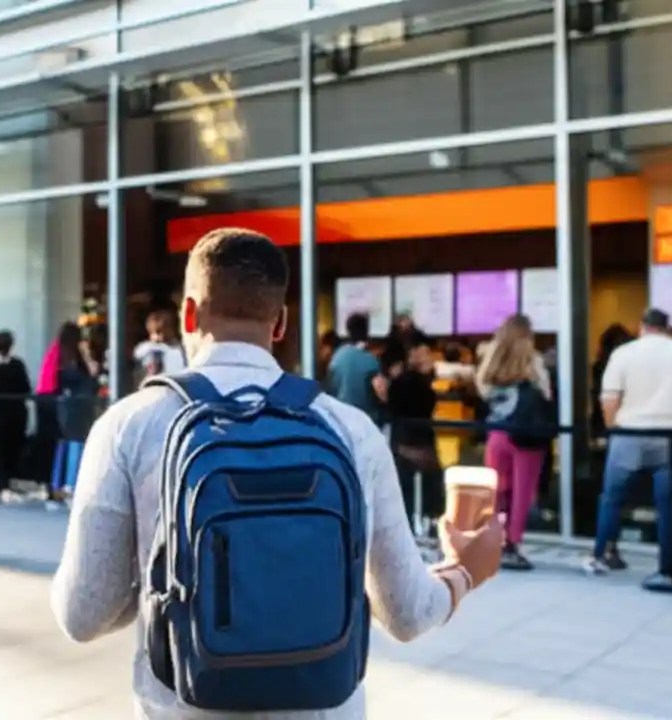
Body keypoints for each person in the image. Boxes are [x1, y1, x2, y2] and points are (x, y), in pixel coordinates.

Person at [51, 228, 503, 718]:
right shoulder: (351, 430)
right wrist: (464, 570)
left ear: (188, 312)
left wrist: (163, 577)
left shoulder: (127, 425)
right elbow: (409, 613)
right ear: (281, 322)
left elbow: (83, 614)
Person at [587, 308, 672, 592]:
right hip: (669, 435)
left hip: (628, 433)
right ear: (667, 328)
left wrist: (613, 428)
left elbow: (609, 399)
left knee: (612, 499)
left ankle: (600, 555)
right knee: (668, 504)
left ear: (642, 326)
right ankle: (668, 567)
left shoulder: (623, 354)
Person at [477, 315, 552, 571]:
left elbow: (483, 389)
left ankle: (493, 540)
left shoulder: (492, 358)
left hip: (498, 432)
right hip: (526, 435)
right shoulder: (533, 361)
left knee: (497, 490)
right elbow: (546, 394)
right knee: (522, 491)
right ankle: (512, 543)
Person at [386, 336, 443, 532]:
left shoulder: (397, 383)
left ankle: (406, 525)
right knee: (432, 484)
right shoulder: (424, 386)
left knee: (404, 489)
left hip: (402, 442)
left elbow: (391, 406)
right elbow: (430, 404)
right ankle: (433, 522)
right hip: (423, 442)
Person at [52, 322, 100, 500]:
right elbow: (92, 375)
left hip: (66, 405)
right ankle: (71, 483)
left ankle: (61, 483)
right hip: (77, 406)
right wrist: (87, 355)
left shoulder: (60, 357)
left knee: (67, 442)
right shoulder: (72, 361)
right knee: (76, 442)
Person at [0, 331, 31, 497]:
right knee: (11, 447)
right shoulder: (16, 365)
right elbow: (25, 387)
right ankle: (7, 480)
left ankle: (0, 480)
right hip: (13, 413)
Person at [327, 312, 384, 425]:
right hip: (365, 420)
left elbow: (331, 386)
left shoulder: (337, 357)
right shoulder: (370, 360)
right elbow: (381, 392)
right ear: (367, 331)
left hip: (341, 418)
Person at [591, 323, 634, 437]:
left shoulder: (599, 367)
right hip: (629, 421)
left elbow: (599, 394)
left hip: (602, 421)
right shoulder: (632, 365)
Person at [133, 309, 188, 381]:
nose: (162, 336)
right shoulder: (145, 349)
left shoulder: (179, 349)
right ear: (150, 332)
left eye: (166, 329)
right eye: (158, 332)